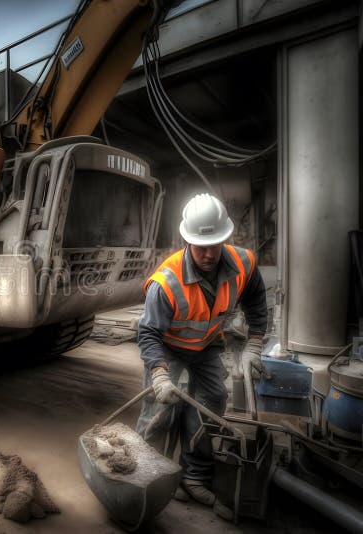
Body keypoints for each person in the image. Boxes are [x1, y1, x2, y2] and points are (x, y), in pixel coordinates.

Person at [135, 193, 267, 513]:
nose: (208, 254)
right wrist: (159, 373)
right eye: (200, 246)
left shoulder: (243, 263)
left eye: (215, 244)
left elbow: (256, 302)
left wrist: (255, 344)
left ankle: (193, 477)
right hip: (168, 348)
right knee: (160, 410)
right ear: (186, 240)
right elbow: (148, 333)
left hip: (207, 345)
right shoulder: (166, 281)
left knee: (213, 403)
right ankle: (146, 478)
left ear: (226, 237)